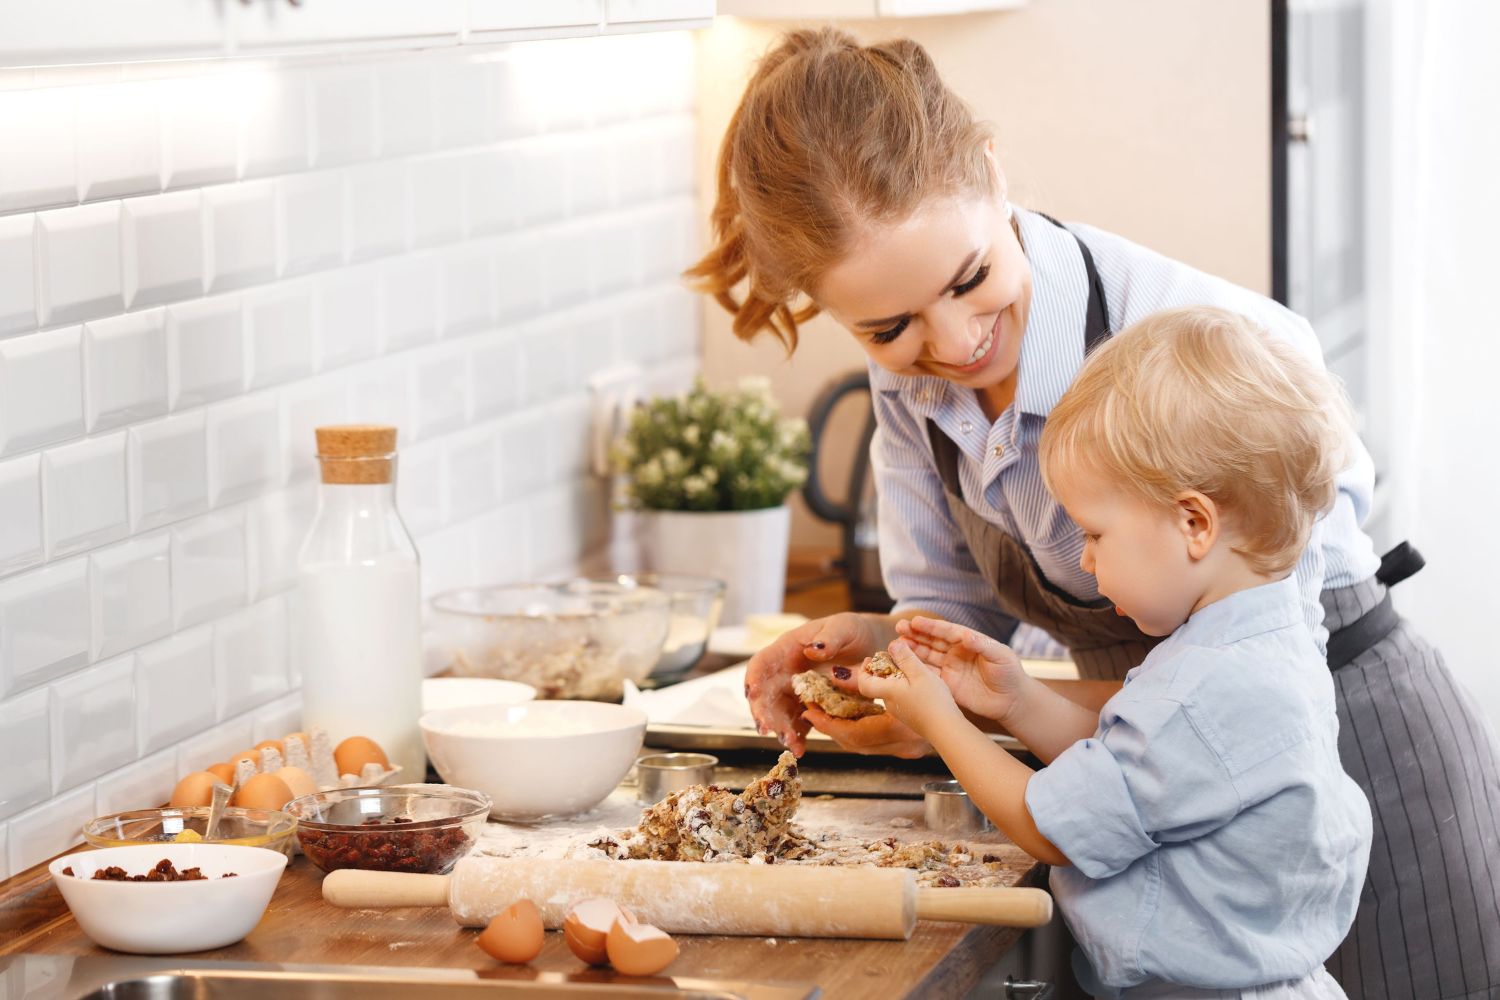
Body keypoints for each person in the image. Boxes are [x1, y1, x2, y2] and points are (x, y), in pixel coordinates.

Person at [689, 26, 1500, 998]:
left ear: (993, 176)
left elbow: (1277, 594)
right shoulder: (913, 395)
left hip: (1346, 735)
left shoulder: (1191, 335)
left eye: (969, 279)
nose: (951, 343)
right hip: (1137, 764)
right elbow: (958, 617)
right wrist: (872, 655)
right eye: (890, 328)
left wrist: (987, 709)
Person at [859, 305, 1371, 998]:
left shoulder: (1213, 684)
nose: (1086, 561)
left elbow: (1050, 827)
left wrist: (938, 722)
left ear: (1193, 523)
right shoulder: (1249, 641)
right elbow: (1130, 765)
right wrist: (1018, 700)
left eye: (1096, 535)